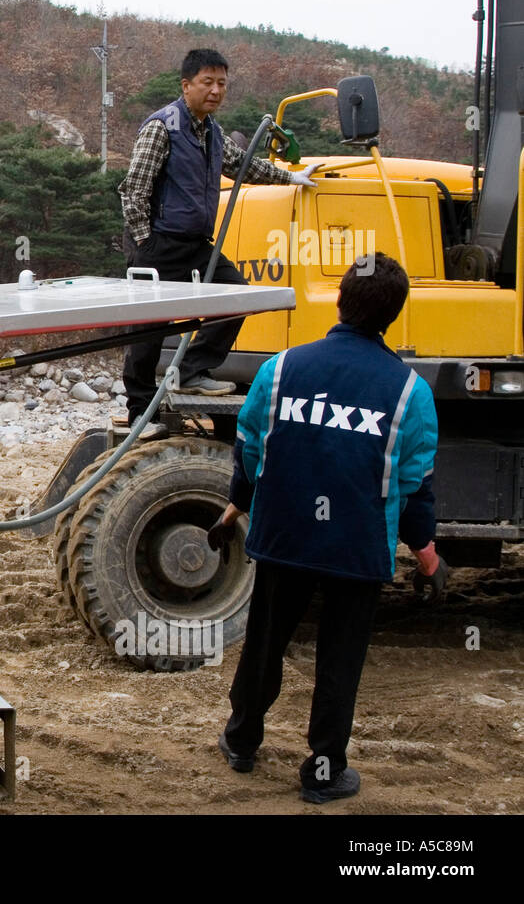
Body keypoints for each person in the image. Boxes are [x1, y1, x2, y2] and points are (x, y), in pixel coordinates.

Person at [207, 253, 446, 804]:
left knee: (264, 645)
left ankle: (242, 743)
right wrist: (428, 557)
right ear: (395, 314)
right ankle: (322, 774)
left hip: (287, 538)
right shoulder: (411, 394)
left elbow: (249, 453)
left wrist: (232, 511)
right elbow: (414, 488)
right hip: (356, 549)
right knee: (340, 662)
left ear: (339, 300)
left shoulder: (282, 369)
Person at [118, 48, 318, 440]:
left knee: (236, 295)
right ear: (186, 85)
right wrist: (145, 242)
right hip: (159, 243)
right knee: (148, 328)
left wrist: (291, 178)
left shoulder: (211, 132)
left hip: (194, 242)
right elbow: (133, 190)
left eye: (222, 83)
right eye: (207, 82)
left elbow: (243, 165)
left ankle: (193, 370)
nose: (215, 91)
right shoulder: (163, 127)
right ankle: (139, 415)